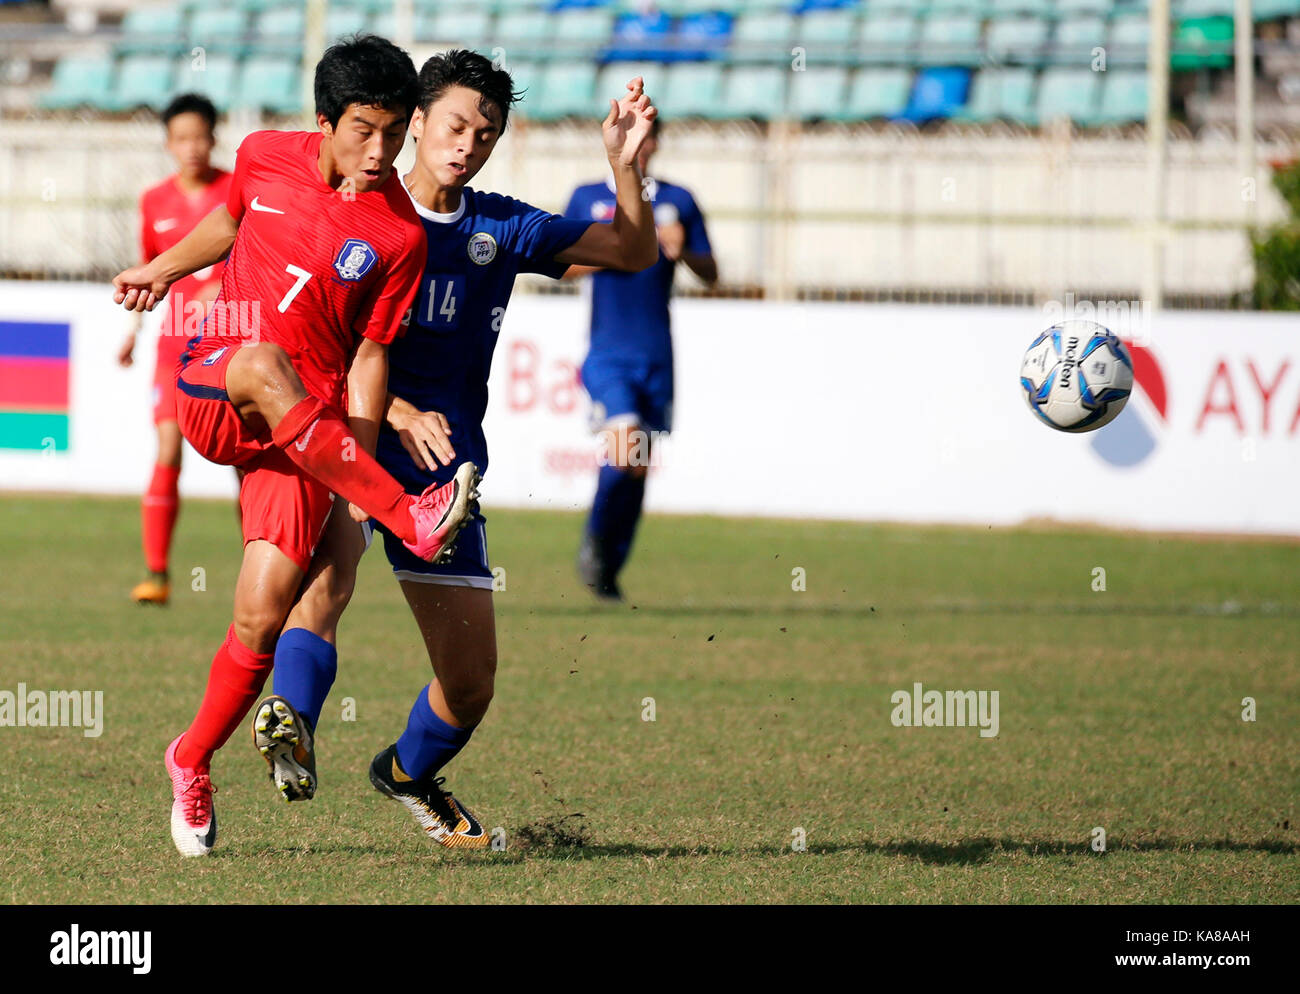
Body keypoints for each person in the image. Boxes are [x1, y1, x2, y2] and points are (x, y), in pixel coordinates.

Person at [250, 49, 659, 849]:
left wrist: (624, 167)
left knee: (470, 684)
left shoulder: (500, 227)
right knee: (325, 590)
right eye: (456, 123)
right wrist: (395, 408)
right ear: (418, 123)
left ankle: (406, 772)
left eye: (487, 132)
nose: (468, 142)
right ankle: (289, 720)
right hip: (353, 444)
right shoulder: (352, 212)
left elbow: (633, 254)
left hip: (447, 475)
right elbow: (303, 345)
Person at [110, 35, 478, 858]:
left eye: (393, 133)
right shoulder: (263, 156)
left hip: (301, 427)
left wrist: (352, 470)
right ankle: (413, 518)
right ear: (324, 122)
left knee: (263, 612)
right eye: (361, 131)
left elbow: (373, 359)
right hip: (220, 372)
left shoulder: (401, 237)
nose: (380, 152)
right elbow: (229, 219)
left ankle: (191, 758)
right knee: (263, 359)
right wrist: (163, 270)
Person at [564, 118, 717, 600]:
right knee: (623, 448)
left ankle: (610, 564)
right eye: (630, 136)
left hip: (656, 354)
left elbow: (711, 272)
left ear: (655, 142)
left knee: (639, 466)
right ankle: (595, 540)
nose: (640, 145)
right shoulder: (587, 197)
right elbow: (561, 265)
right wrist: (620, 244)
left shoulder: (679, 201)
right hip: (609, 353)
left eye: (646, 137)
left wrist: (683, 248)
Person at [118, 93, 232, 605]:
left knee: (242, 458)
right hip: (173, 344)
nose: (191, 147)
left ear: (214, 138)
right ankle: (157, 575)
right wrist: (132, 331)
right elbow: (149, 273)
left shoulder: (237, 191)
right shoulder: (153, 201)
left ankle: (269, 571)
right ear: (168, 143)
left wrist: (223, 289)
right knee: (167, 447)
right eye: (181, 138)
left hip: (233, 339)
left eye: (200, 137)